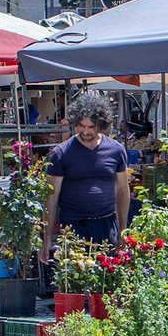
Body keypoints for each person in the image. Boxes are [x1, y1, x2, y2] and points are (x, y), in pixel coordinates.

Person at [40, 94, 131, 258]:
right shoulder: (61, 153)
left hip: (105, 223)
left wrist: (122, 230)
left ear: (100, 125)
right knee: (76, 278)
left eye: (91, 127)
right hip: (73, 225)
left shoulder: (116, 150)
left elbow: (122, 191)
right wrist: (46, 240)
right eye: (81, 126)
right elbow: (51, 198)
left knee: (106, 278)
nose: (85, 131)